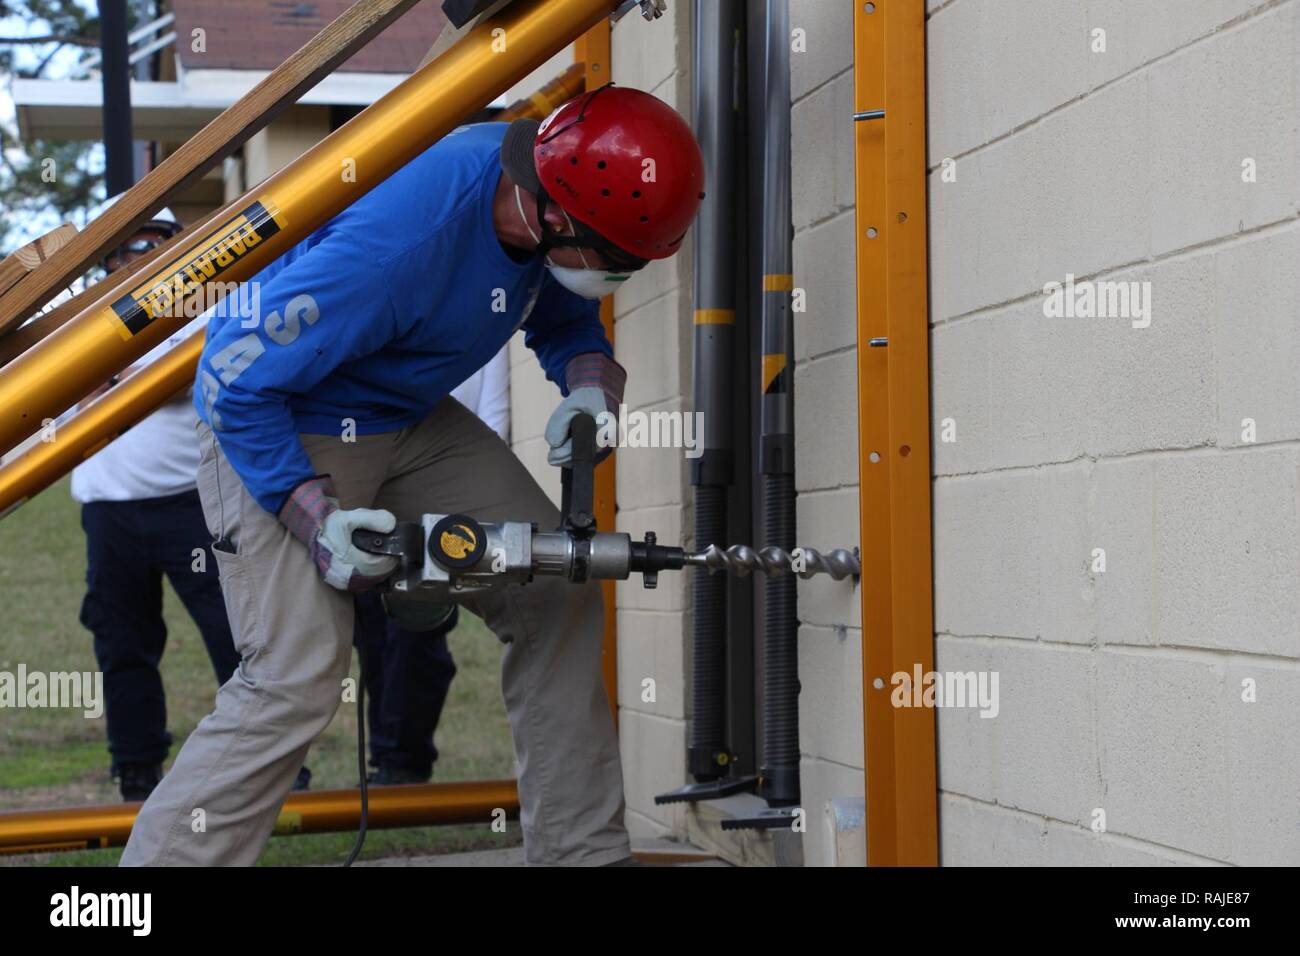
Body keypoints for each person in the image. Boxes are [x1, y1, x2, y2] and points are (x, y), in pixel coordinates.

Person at [120, 85, 704, 866]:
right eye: (620, 263)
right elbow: (231, 378)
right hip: (282, 421)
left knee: (554, 590)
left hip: (406, 415)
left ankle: (581, 854)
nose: (622, 276)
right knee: (292, 680)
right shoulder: (397, 245)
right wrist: (313, 515)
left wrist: (590, 387)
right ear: (556, 214)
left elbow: (563, 312)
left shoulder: (541, 205)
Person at [356, 347, 510, 786]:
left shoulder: (487, 334)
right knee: (371, 635)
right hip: (370, 499)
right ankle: (387, 756)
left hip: (442, 510)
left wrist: (464, 508)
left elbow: (494, 420)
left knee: (418, 632)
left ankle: (403, 762)